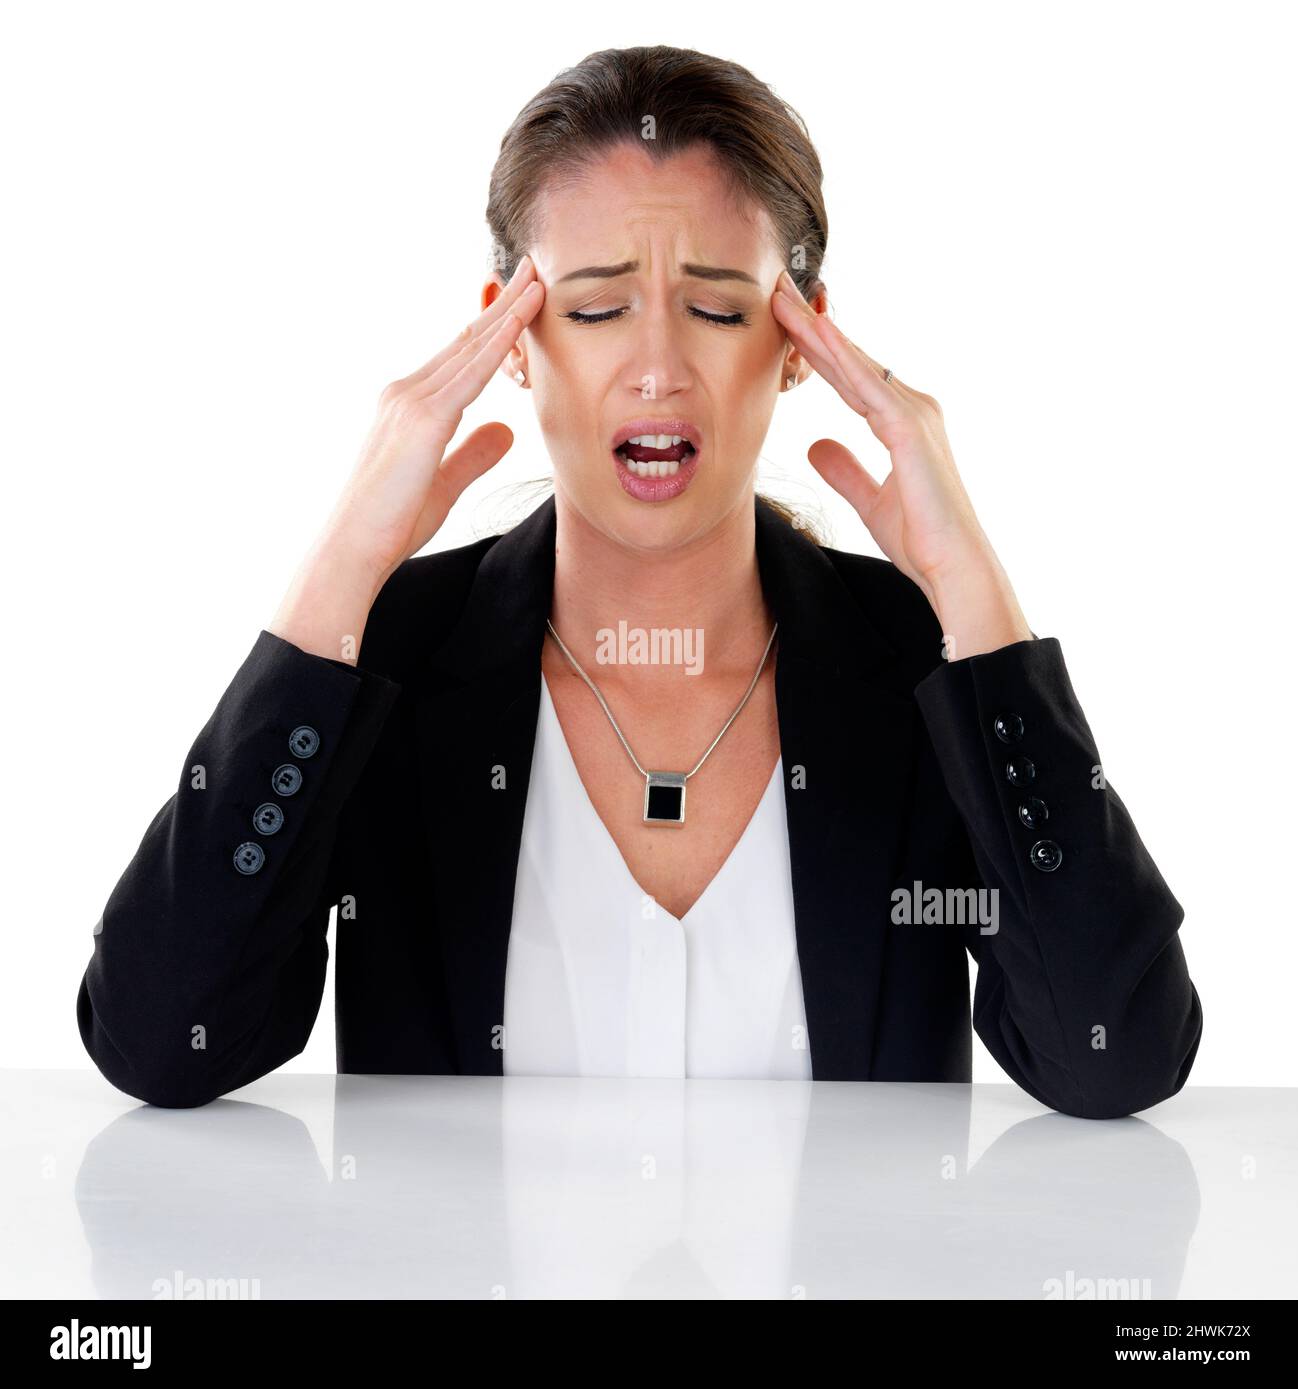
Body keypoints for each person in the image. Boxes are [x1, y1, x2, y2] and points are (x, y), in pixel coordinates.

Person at [76, 45, 1202, 1117]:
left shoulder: (920, 665)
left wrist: (977, 603)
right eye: (596, 307)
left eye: (717, 308)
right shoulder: (390, 659)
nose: (659, 367)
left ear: (803, 342)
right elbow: (160, 1040)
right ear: (510, 338)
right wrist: (338, 576)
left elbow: (1116, 1060)